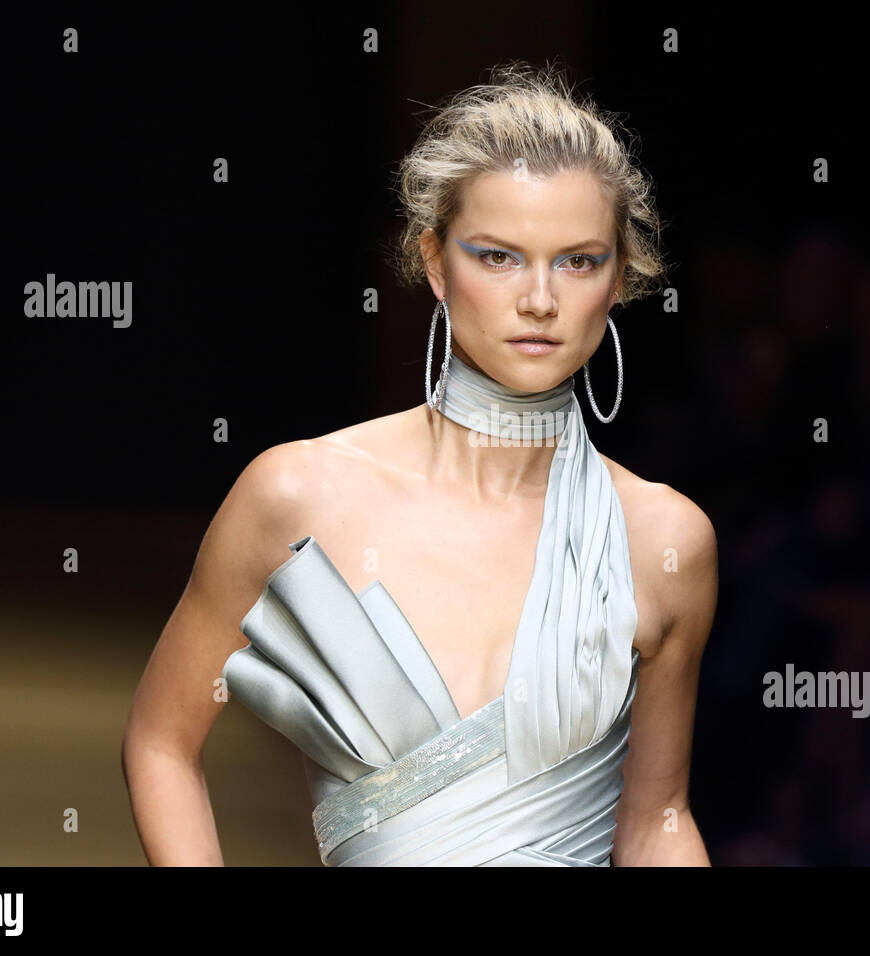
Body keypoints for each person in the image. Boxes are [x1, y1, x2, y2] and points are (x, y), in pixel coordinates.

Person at [122, 61, 717, 866]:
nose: (540, 298)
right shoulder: (298, 495)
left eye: (578, 260)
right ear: (436, 264)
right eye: (499, 256)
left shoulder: (664, 540)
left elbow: (659, 820)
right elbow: (161, 743)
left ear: (619, 279)